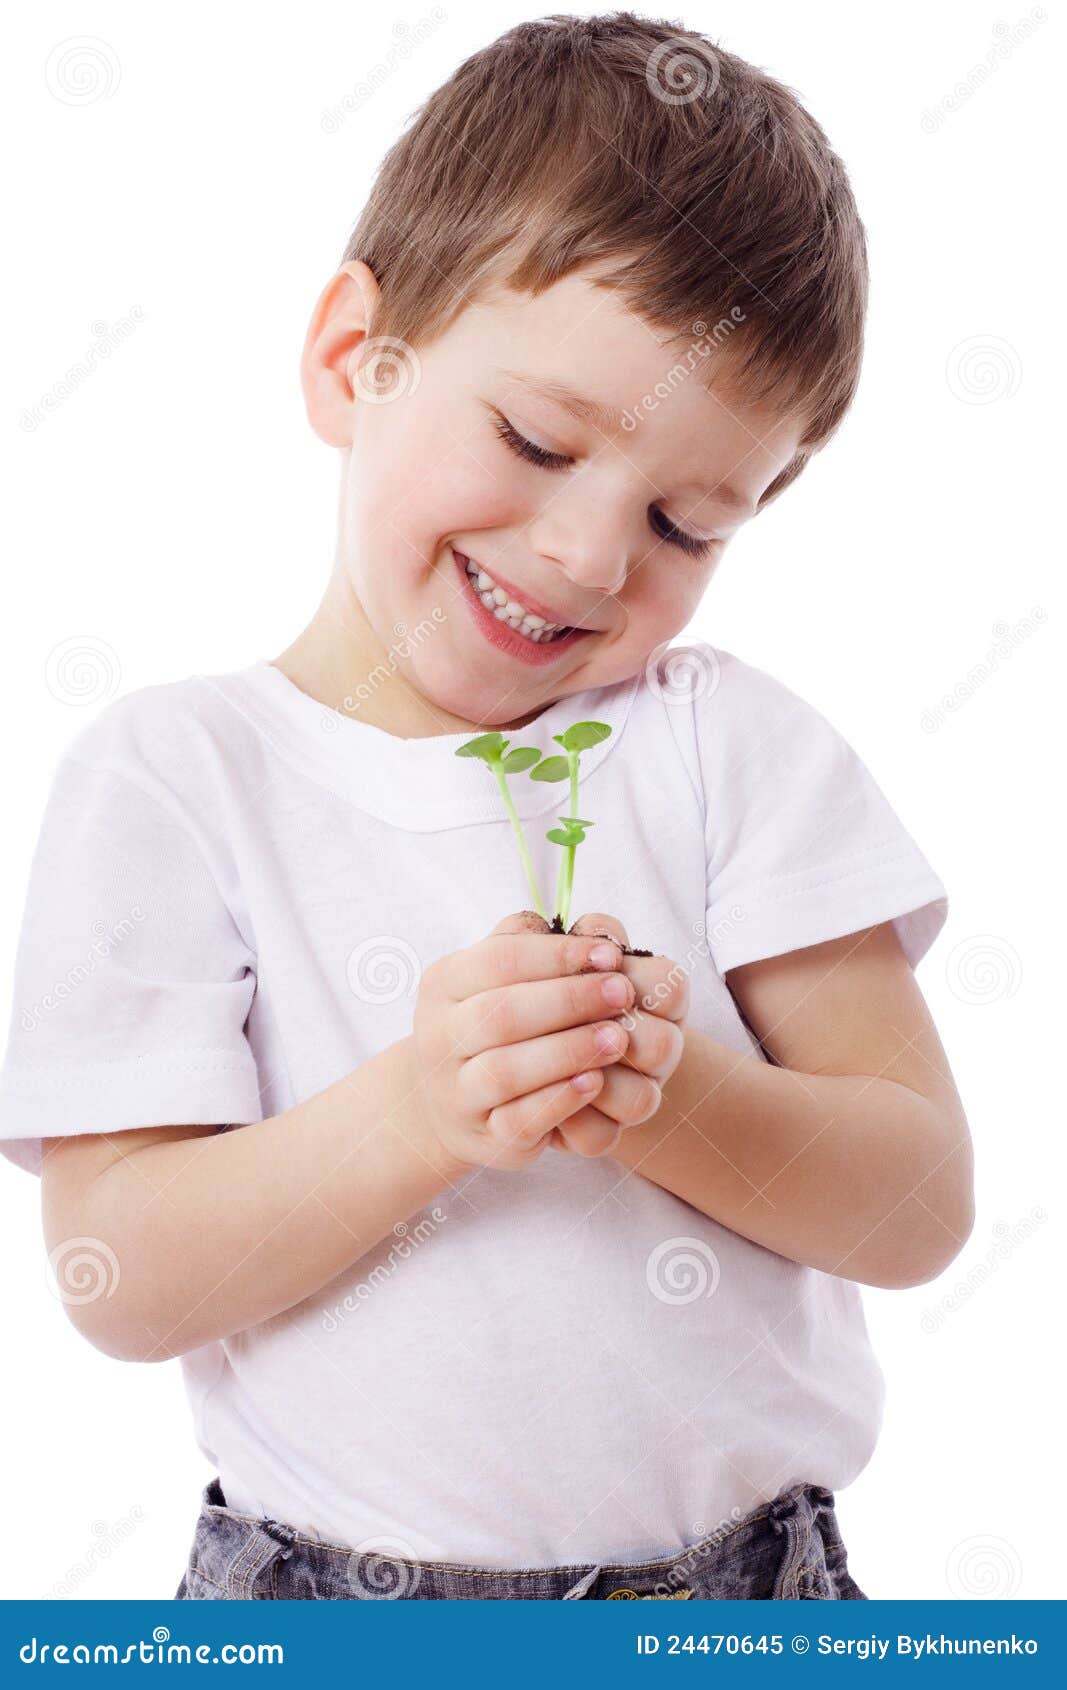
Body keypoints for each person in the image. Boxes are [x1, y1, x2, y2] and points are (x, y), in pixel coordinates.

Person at [0, 13, 974, 1601]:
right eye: (535, 438)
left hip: (743, 1598)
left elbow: (921, 1200)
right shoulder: (174, 779)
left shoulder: (724, 743)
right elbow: (122, 1272)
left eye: (682, 518)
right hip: (322, 1597)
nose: (592, 555)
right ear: (351, 361)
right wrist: (420, 1114)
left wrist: (672, 1101)